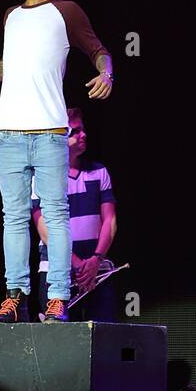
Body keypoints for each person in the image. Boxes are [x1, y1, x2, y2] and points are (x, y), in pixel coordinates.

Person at [0, 0, 114, 324]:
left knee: (56, 215)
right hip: (9, 134)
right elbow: (9, 63)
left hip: (50, 132)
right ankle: (14, 297)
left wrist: (107, 72)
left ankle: (58, 299)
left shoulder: (65, 12)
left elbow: (98, 50)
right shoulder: (11, 16)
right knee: (13, 218)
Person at [33, 107, 119, 322]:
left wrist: (95, 260)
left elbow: (110, 220)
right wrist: (78, 264)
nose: (83, 135)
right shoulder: (41, 178)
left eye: (83, 130)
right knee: (57, 338)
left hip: (97, 270)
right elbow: (45, 231)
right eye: (76, 131)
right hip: (57, 270)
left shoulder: (99, 172)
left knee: (102, 336)